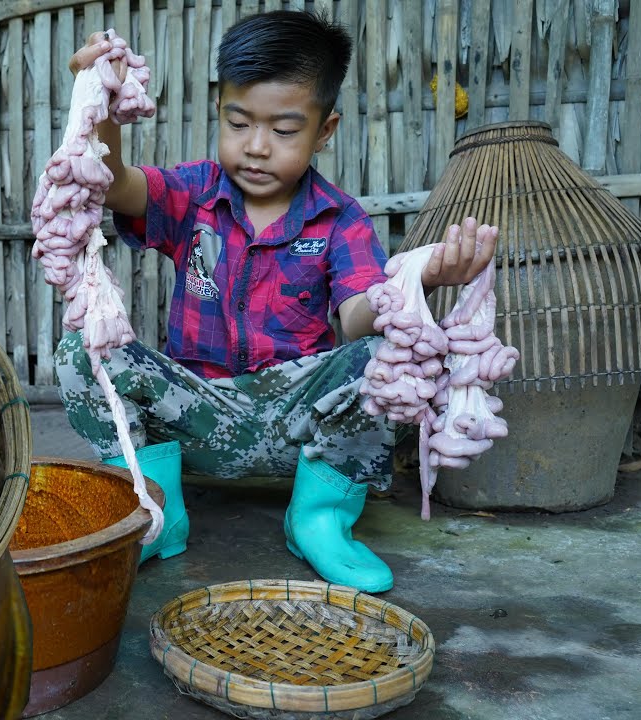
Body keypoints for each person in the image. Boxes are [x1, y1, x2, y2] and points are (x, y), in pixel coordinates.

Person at [55, 10, 496, 593]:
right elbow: (113, 183)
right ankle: (155, 510)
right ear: (219, 110)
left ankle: (319, 518)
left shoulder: (341, 221)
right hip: (196, 418)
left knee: (389, 353)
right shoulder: (192, 194)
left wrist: (418, 283)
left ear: (324, 130)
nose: (257, 148)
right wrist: (100, 95)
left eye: (284, 130)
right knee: (83, 350)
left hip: (301, 429)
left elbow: (357, 319)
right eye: (238, 123)